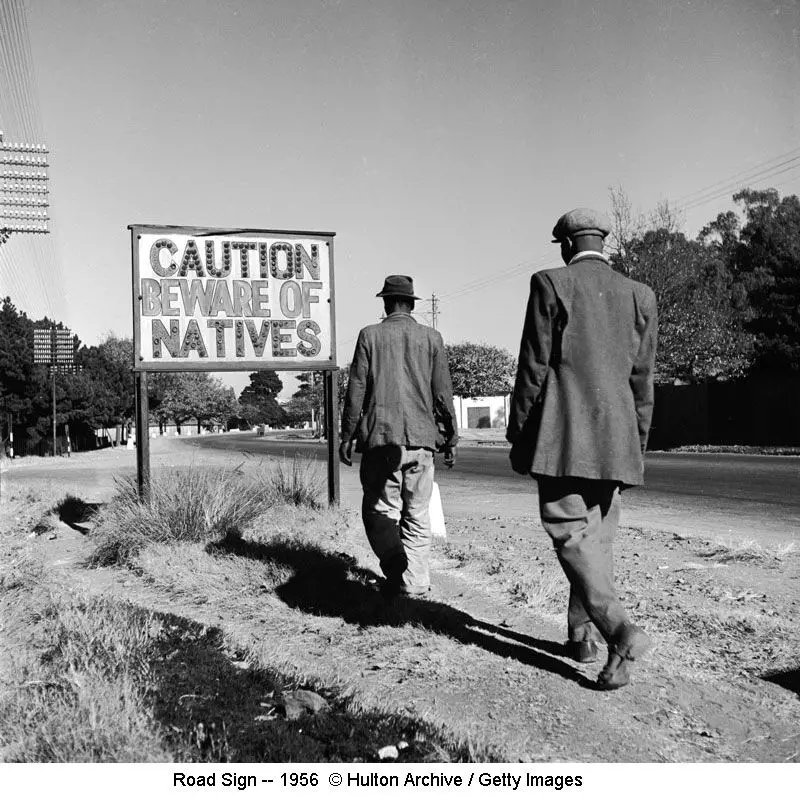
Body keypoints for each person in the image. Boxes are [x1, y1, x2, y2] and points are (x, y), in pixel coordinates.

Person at [506, 208, 658, 690]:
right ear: (602, 242)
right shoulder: (641, 294)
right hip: (617, 440)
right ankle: (580, 636)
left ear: (566, 245)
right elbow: (642, 380)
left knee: (570, 534)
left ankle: (618, 629)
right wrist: (637, 442)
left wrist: (521, 433)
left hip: (563, 436)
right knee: (595, 543)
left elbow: (534, 367)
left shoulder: (550, 283)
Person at [340, 275, 458, 599]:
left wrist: (347, 434)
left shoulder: (369, 336)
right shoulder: (432, 338)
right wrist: (450, 438)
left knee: (379, 511)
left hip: (382, 440)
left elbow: (356, 391)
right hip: (422, 441)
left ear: (385, 302)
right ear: (413, 303)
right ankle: (415, 585)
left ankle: (395, 564)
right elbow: (443, 394)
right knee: (418, 515)